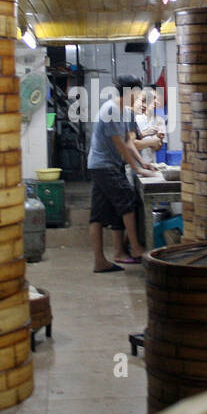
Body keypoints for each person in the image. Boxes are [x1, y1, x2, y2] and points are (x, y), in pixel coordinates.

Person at [87, 74, 160, 273]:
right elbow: (120, 146)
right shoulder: (111, 110)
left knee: (98, 214)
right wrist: (137, 169)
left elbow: (129, 141)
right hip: (103, 166)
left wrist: (143, 162)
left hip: (107, 165)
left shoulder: (126, 113)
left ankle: (100, 261)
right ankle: (136, 248)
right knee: (128, 198)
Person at [131, 85, 166, 167]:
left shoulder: (159, 120)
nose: (156, 101)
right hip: (133, 165)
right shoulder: (133, 117)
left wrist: (157, 139)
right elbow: (132, 144)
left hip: (150, 164)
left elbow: (158, 146)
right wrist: (152, 141)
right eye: (153, 98)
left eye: (157, 98)